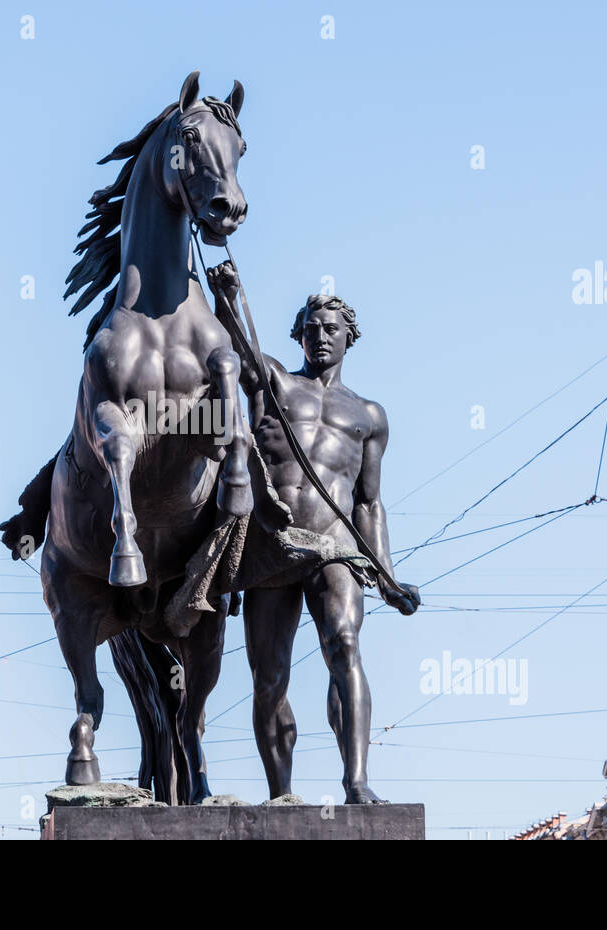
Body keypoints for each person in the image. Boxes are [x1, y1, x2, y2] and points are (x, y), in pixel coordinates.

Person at [206, 260, 419, 804]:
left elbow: (369, 501)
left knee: (344, 645)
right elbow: (240, 354)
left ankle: (357, 781)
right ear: (298, 335)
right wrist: (229, 293)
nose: (322, 337)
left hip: (337, 548)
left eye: (333, 330)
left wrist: (388, 575)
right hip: (273, 544)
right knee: (268, 676)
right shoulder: (277, 383)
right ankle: (283, 795)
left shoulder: (370, 415)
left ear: (351, 337)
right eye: (312, 329)